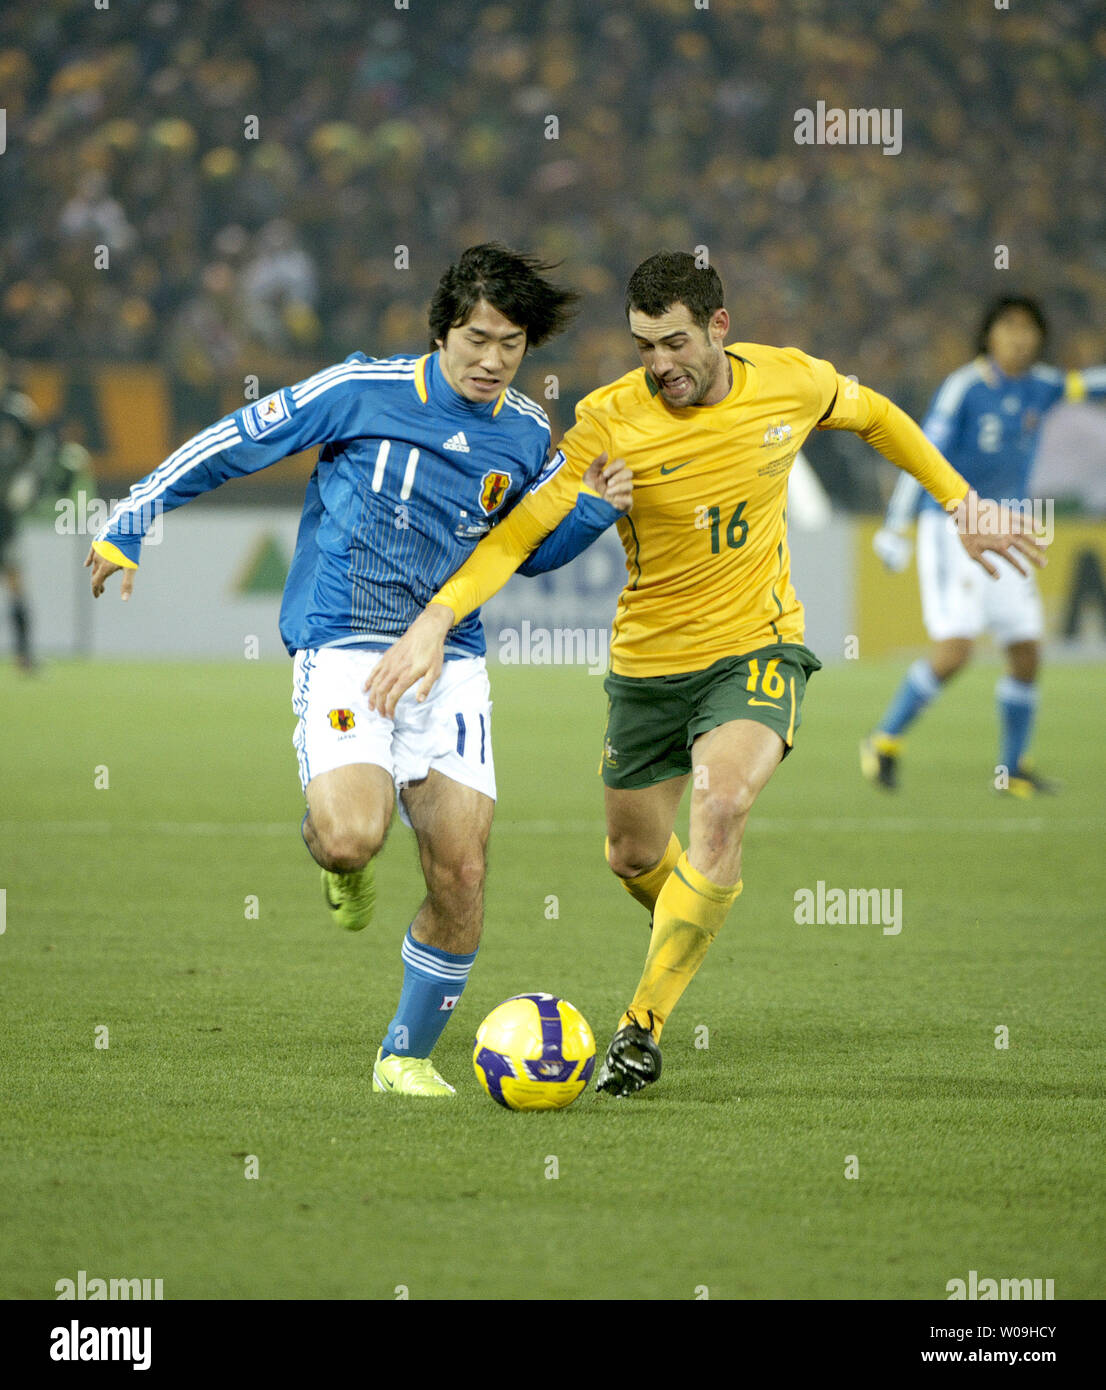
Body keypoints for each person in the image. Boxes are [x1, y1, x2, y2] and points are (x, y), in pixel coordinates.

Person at [365, 251, 1045, 1098]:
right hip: (648, 666)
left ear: (719, 328)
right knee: (630, 853)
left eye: (676, 343)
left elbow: (878, 418)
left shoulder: (790, 383)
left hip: (758, 648)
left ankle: (639, 1028)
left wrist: (959, 500)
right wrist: (437, 618)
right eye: (645, 346)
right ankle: (693, 918)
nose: (661, 365)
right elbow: (516, 536)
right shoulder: (609, 418)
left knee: (723, 802)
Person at [86, 243, 632, 1098]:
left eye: (512, 344)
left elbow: (527, 551)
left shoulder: (527, 431)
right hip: (343, 642)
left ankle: (403, 1057)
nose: (493, 360)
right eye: (478, 339)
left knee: (463, 869)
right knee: (350, 838)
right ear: (443, 331)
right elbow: (238, 442)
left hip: (448, 657)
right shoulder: (359, 390)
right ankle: (342, 863)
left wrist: (596, 507)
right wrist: (134, 514)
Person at [862, 295, 1106, 798]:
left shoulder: (1044, 385)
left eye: (1028, 328)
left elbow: (1091, 385)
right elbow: (920, 451)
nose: (1019, 337)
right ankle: (883, 740)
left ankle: (1012, 768)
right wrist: (895, 524)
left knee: (1026, 649)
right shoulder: (964, 389)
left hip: (1010, 528)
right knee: (955, 651)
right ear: (989, 335)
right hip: (955, 527)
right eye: (1008, 326)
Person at [0, 351, 63, 671]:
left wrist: (27, 482)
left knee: (14, 579)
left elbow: (42, 450)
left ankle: (24, 655)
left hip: (4, 512)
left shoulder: (18, 412)